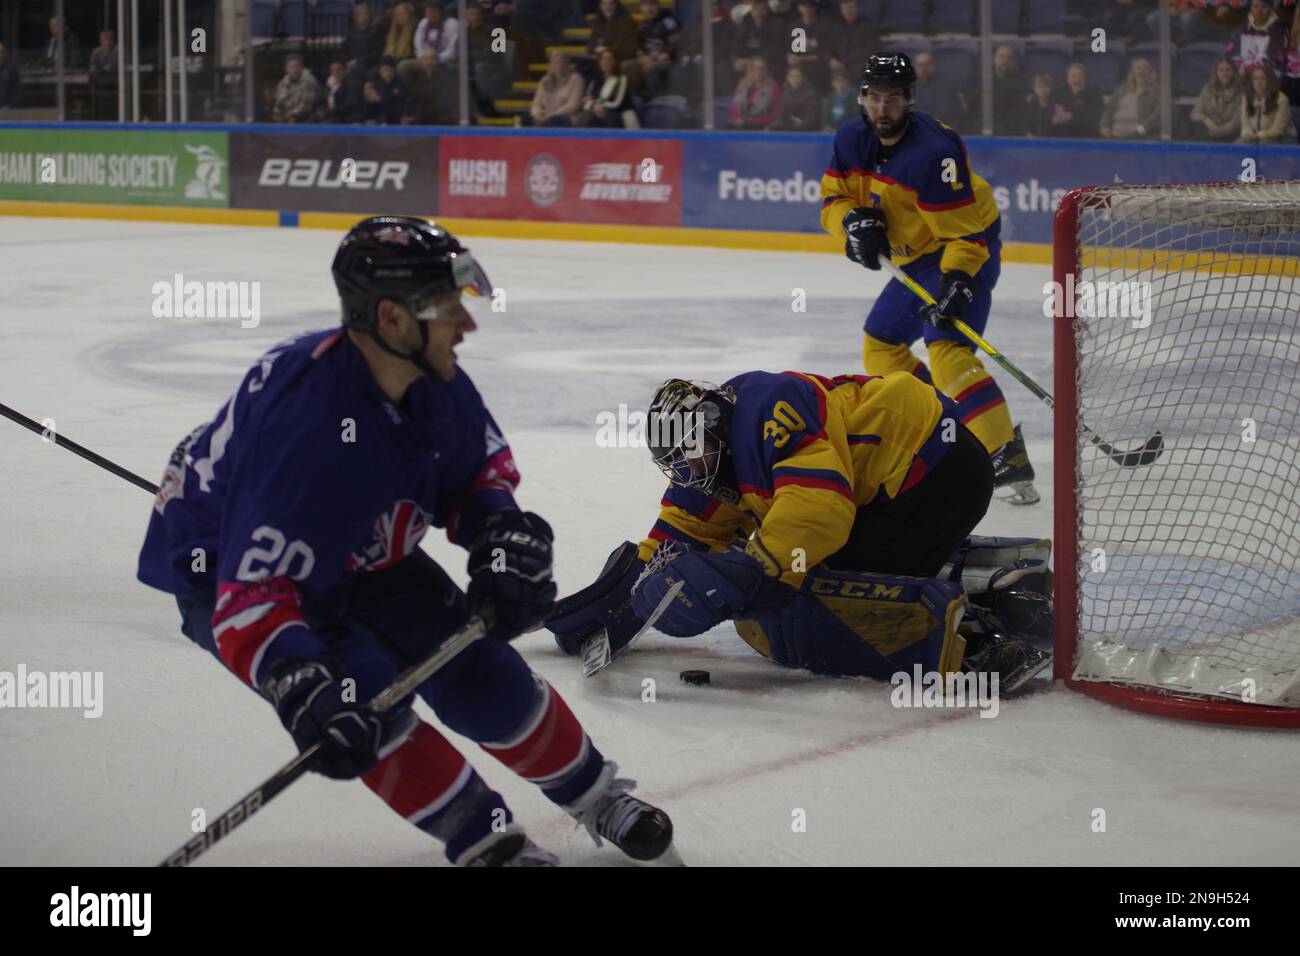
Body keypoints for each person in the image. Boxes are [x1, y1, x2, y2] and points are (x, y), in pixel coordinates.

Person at [136, 217, 678, 867]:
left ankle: (595, 795)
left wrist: (500, 537)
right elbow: (251, 596)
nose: (467, 325)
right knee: (362, 704)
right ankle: (487, 837)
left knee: (478, 669)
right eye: (449, 308)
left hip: (358, 548)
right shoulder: (306, 431)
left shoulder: (433, 384)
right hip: (231, 570)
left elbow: (472, 477)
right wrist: (297, 681)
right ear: (391, 319)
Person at [545, 376, 1052, 691]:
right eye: (674, 463)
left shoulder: (767, 411)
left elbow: (820, 510)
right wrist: (625, 597)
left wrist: (755, 572)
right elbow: (679, 535)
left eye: (689, 453)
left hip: (938, 476)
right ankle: (999, 581)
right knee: (783, 586)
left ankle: (978, 647)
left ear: (712, 424)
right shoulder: (712, 459)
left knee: (798, 607)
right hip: (915, 479)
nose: (687, 471)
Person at [819, 53, 1040, 506]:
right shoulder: (851, 138)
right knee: (881, 344)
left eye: (893, 99)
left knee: (947, 349)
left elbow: (965, 236)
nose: (883, 109)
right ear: (862, 98)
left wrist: (958, 280)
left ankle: (1005, 453)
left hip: (963, 246)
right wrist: (851, 222)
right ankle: (947, 426)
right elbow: (832, 200)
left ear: (910, 101)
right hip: (917, 253)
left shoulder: (932, 153)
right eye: (874, 98)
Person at [1100, 57, 1160, 138]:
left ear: (1151, 72)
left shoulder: (1158, 91)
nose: (1142, 70)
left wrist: (1139, 131)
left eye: (1146, 67)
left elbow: (1159, 115)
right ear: (1133, 72)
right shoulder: (1121, 90)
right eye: (1138, 67)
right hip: (1114, 137)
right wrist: (1105, 129)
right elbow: (1108, 112)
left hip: (1140, 139)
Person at [1225, 0, 1290, 73]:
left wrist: (1251, 68)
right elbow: (1230, 52)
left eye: (1264, 7)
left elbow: (1278, 59)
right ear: (1251, 8)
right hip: (1241, 74)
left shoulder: (1279, 31)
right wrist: (1238, 66)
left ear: (1271, 8)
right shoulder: (1242, 28)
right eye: (1255, 6)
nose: (1259, 11)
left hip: (1266, 76)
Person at [1239, 60, 1296, 140]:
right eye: (1255, 78)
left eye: (1263, 78)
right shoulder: (1247, 98)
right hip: (1255, 138)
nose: (1258, 83)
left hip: (1281, 139)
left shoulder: (1281, 100)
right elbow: (1245, 122)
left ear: (1270, 80)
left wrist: (1258, 136)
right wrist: (1247, 133)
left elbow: (1277, 129)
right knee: (1236, 148)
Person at [523, 51, 585, 125]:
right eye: (555, 63)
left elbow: (573, 105)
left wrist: (551, 116)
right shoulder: (545, 80)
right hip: (546, 116)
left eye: (561, 62)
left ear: (567, 64)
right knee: (526, 119)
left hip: (565, 117)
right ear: (551, 65)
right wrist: (536, 115)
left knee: (553, 121)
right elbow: (536, 103)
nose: (558, 65)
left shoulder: (576, 79)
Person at [1191, 57, 1245, 140]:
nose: (1225, 74)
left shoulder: (1241, 92)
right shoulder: (1208, 89)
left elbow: (1236, 122)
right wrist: (1206, 120)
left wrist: (1218, 131)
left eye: (1228, 70)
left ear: (1234, 72)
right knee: (1199, 128)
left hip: (1231, 135)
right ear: (1216, 73)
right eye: (1221, 70)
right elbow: (1195, 113)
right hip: (1210, 132)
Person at [583, 48, 636, 127]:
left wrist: (594, 104)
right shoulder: (595, 80)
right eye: (603, 59)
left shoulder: (622, 79)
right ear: (599, 62)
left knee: (601, 116)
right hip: (601, 116)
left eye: (609, 59)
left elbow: (616, 103)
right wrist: (593, 105)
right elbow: (586, 102)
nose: (606, 62)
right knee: (585, 116)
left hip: (620, 116)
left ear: (615, 62)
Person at [1053, 62, 1104, 138]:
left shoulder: (1094, 95)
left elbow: (1094, 119)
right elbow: (1059, 114)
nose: (1077, 80)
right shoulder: (1059, 95)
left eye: (1081, 76)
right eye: (1073, 76)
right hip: (1064, 138)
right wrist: (1056, 119)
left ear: (1085, 79)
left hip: (1087, 139)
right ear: (1067, 79)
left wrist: (1072, 116)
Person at [729, 57, 781, 129]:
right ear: (750, 70)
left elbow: (776, 113)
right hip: (741, 124)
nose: (758, 71)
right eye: (755, 68)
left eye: (761, 68)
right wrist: (737, 119)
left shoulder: (773, 87)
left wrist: (757, 121)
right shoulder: (742, 84)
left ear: (766, 70)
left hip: (762, 125)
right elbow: (733, 106)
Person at [272, 54, 320, 123]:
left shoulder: (309, 81)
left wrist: (288, 116)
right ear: (286, 69)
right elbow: (278, 103)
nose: (294, 70)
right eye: (291, 67)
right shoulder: (282, 83)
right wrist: (278, 115)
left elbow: (305, 107)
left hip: (306, 119)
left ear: (302, 67)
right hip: (286, 119)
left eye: (297, 66)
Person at [775, 65, 821, 130]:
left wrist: (795, 127)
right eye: (792, 76)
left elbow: (811, 119)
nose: (795, 79)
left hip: (806, 131)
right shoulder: (784, 94)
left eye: (798, 76)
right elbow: (781, 116)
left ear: (802, 78)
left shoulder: (811, 94)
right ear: (788, 78)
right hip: (787, 129)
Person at [0, 42, 20, 109]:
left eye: (1, 52)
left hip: (7, 110)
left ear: (4, 54)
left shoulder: (11, 70)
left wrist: (10, 106)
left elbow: (16, 92)